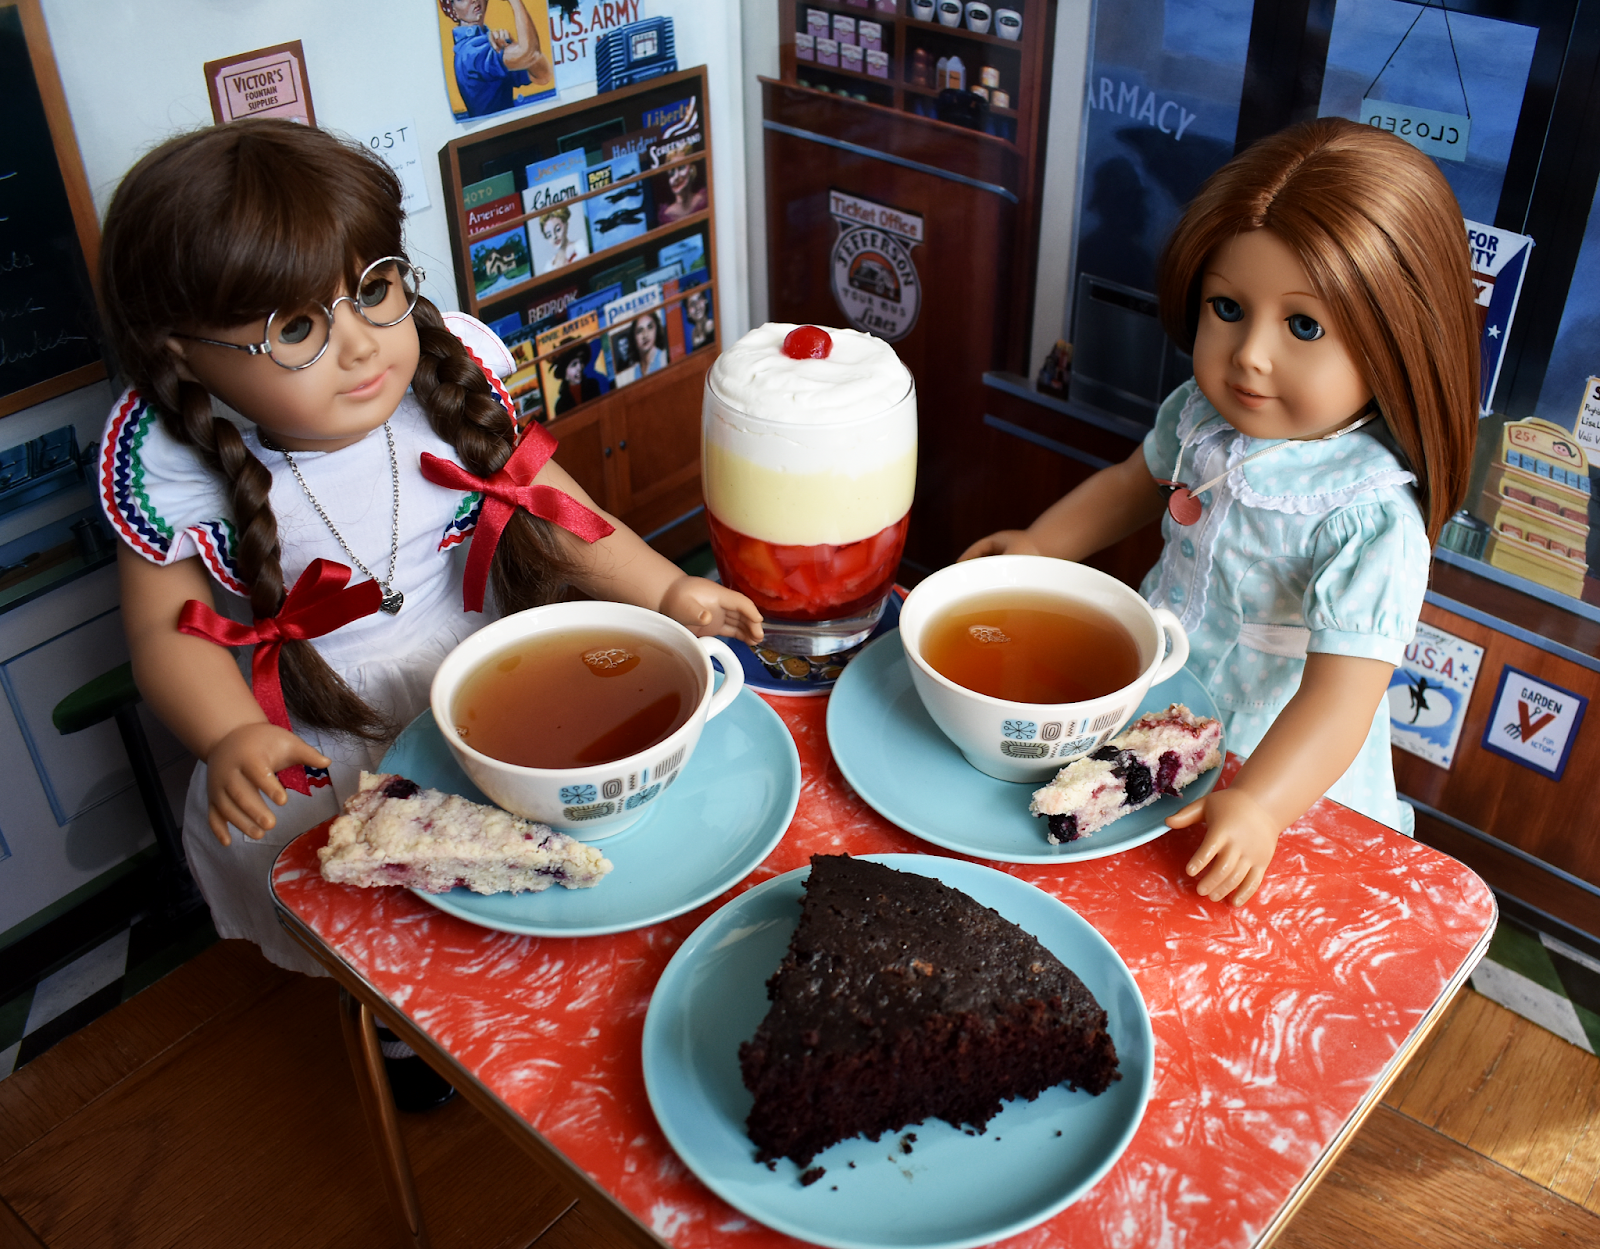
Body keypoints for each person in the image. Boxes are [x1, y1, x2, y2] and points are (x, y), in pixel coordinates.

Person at [97, 119, 762, 987]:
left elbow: (561, 509)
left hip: (487, 671)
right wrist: (228, 734)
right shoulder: (174, 466)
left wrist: (667, 588)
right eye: (296, 327)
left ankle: (517, 982)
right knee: (381, 913)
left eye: (374, 290)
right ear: (186, 353)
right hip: (319, 722)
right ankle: (407, 1027)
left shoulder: (439, 390)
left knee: (515, 857)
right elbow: (164, 630)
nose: (362, 343)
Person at [962, 118, 1478, 906]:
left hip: (1272, 752)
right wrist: (1041, 544)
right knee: (1102, 871)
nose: (1250, 355)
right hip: (1154, 696)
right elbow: (1133, 483)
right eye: (1228, 308)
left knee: (1216, 911)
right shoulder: (1200, 418)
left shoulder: (1367, 515)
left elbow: (1342, 698)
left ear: (1397, 340)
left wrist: (1266, 800)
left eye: (1304, 326)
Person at [441, 0, 552, 119]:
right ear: (453, 11)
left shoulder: (487, 42)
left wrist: (512, 48)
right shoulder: (470, 52)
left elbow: (543, 75)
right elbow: (530, 54)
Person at [537, 204, 586, 271]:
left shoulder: (580, 248)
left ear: (567, 223)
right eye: (549, 235)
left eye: (558, 229)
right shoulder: (549, 267)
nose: (554, 237)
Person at [633, 311, 669, 375]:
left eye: (650, 327)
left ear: (656, 329)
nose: (645, 335)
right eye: (640, 331)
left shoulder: (663, 358)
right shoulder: (636, 370)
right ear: (634, 336)